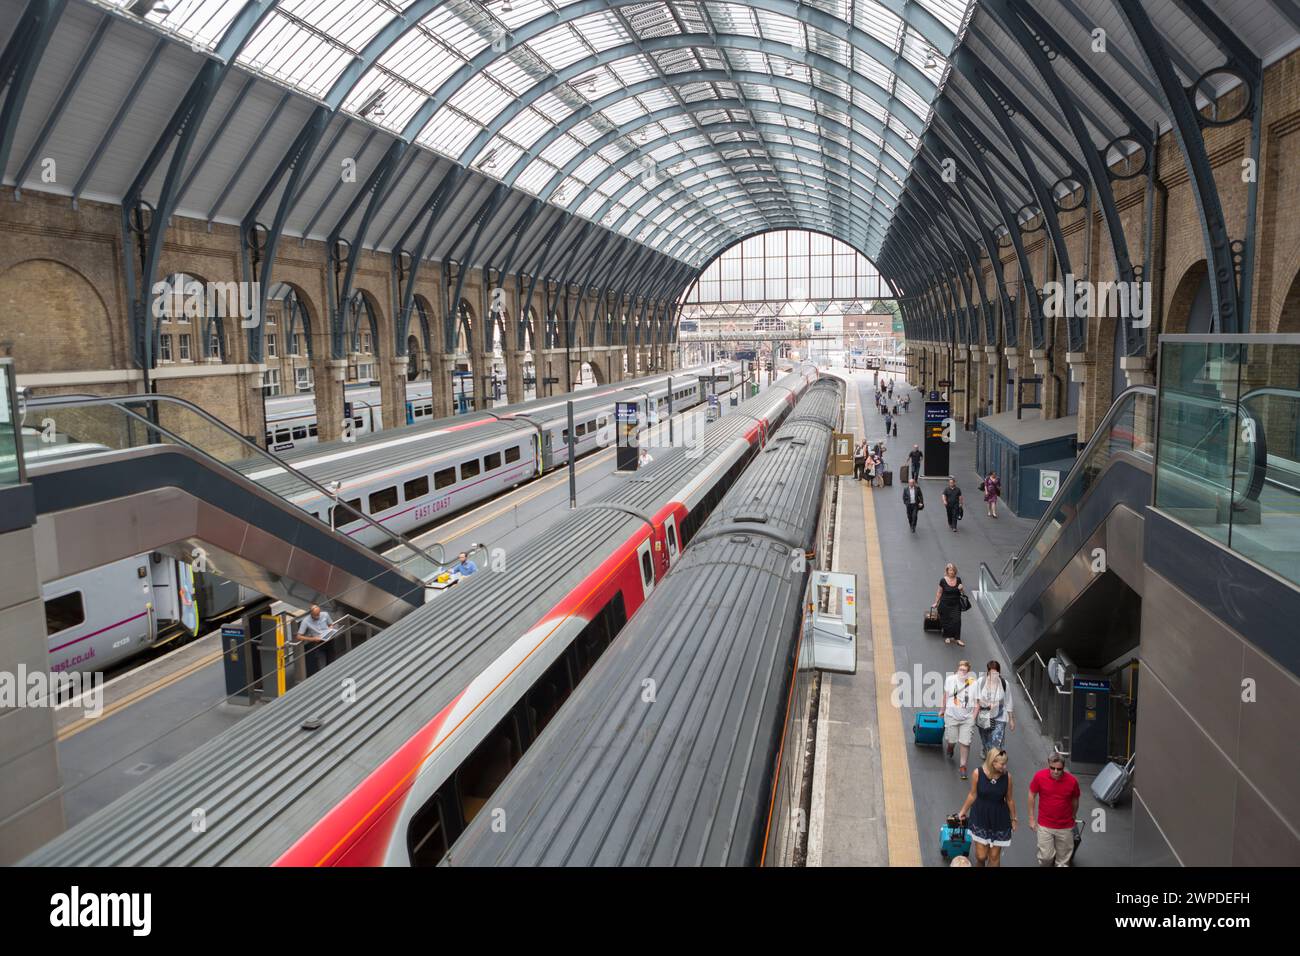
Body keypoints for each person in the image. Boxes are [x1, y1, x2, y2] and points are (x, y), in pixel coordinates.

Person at [958, 748, 1017, 867]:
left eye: (1006, 763)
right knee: (981, 856)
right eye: (1002, 764)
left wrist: (1013, 819)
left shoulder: (1008, 777)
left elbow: (1010, 799)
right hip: (980, 816)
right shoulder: (977, 773)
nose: (1005, 767)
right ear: (993, 762)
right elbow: (972, 794)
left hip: (999, 818)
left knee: (994, 857)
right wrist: (962, 811)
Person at [1028, 753, 1081, 867]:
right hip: (1045, 825)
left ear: (1063, 768)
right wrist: (1032, 818)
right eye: (1053, 768)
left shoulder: (1072, 781)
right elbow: (1032, 794)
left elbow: (1075, 800)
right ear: (1049, 764)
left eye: (1059, 769)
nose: (1056, 771)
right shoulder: (1039, 777)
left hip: (1065, 827)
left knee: (1063, 862)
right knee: (1046, 858)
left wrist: (1073, 815)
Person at [940, 660, 979, 779]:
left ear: (968, 673)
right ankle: (951, 747)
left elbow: (978, 702)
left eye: (965, 670)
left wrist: (973, 717)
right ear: (957, 669)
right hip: (951, 715)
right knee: (951, 740)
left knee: (965, 742)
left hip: (967, 718)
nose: (962, 672)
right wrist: (942, 709)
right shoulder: (950, 679)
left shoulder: (973, 683)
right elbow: (946, 695)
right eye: (960, 669)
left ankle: (963, 766)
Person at [976, 660, 1015, 757]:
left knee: (996, 743)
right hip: (984, 715)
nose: (993, 675)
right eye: (991, 672)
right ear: (988, 671)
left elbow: (1008, 702)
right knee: (985, 739)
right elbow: (975, 699)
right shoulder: (981, 681)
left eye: (995, 672)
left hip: (1000, 717)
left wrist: (1011, 720)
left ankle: (994, 761)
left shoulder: (1004, 683)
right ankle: (985, 748)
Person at [932, 561, 967, 647]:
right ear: (947, 571)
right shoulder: (943, 580)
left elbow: (962, 593)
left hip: (956, 604)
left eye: (953, 570)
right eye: (950, 570)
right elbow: (939, 592)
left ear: (955, 571)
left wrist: (961, 589)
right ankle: (947, 636)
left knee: (957, 621)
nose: (951, 572)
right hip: (945, 604)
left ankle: (957, 639)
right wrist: (936, 602)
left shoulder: (958, 580)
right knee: (946, 621)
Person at [297, 604, 335, 675]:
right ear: (311, 614)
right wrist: (313, 639)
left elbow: (331, 624)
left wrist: (331, 629)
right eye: (315, 615)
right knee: (321, 664)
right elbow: (299, 636)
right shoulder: (306, 621)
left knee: (331, 660)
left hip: (329, 640)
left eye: (318, 614)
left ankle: (332, 675)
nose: (317, 616)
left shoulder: (325, 615)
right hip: (318, 644)